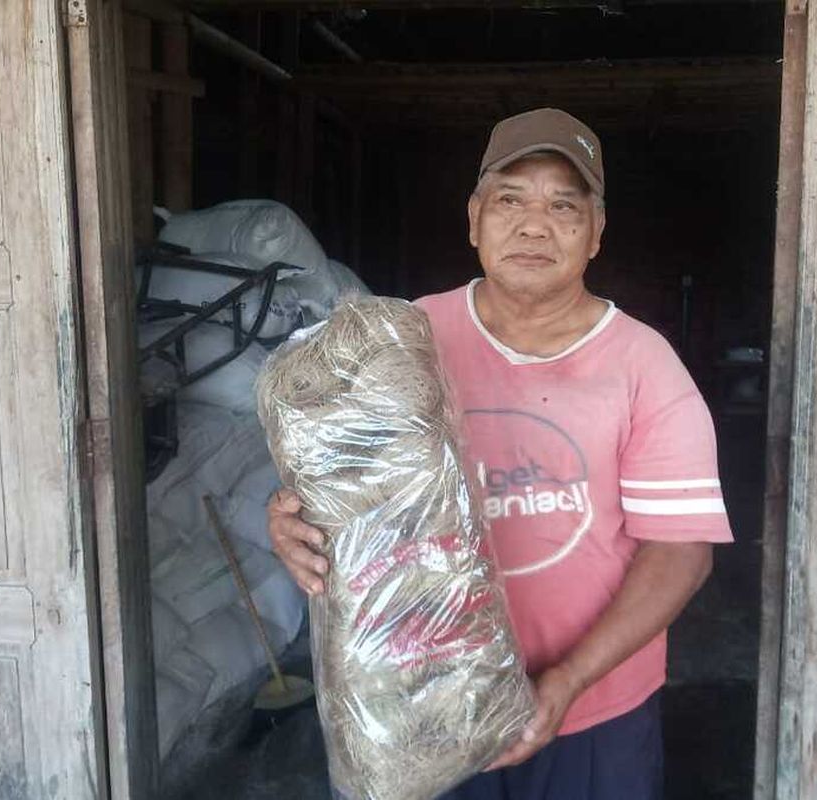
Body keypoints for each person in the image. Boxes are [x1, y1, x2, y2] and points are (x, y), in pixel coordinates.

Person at [268, 108, 734, 799]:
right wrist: (290, 521)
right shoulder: (401, 343)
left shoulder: (643, 363)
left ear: (596, 233)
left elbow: (682, 549)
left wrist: (568, 680)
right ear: (475, 218)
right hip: (417, 703)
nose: (534, 225)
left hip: (592, 712)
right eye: (510, 200)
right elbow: (340, 486)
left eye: (563, 207)